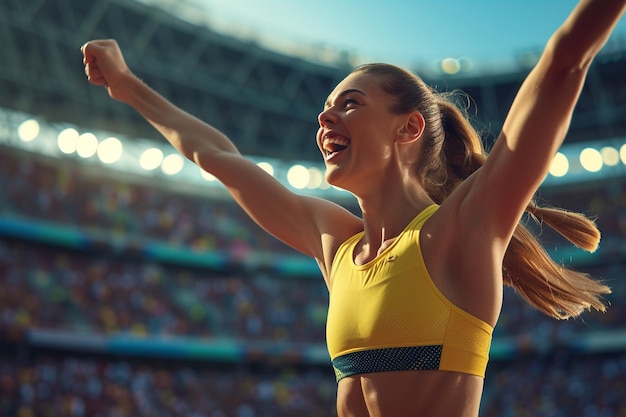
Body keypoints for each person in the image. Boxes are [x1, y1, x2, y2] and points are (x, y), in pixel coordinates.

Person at [81, 1, 625, 416]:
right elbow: (218, 155)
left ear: (409, 127)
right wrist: (127, 87)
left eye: (350, 104)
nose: (325, 119)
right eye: (324, 110)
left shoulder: (462, 229)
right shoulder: (335, 244)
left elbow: (562, 65)